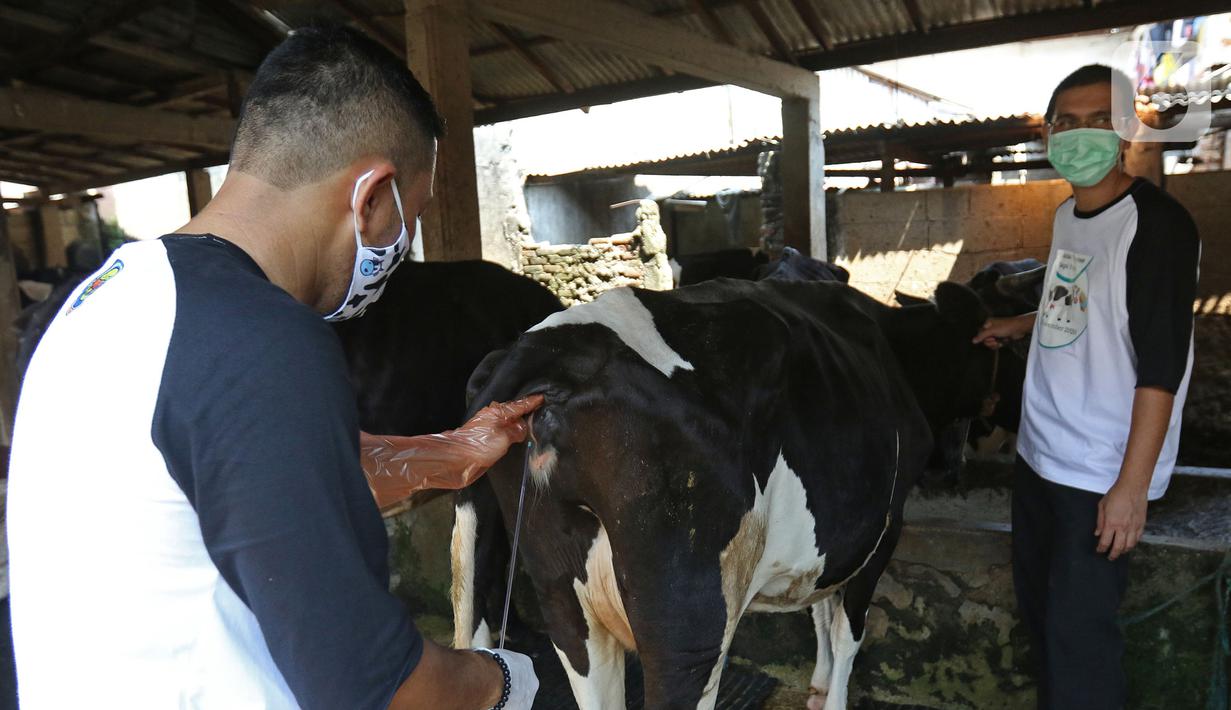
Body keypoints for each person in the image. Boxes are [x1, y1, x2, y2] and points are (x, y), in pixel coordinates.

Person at [7, 26, 541, 710]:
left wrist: (454, 450)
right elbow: (375, 685)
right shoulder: (260, 337)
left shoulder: (107, 301)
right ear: (372, 196)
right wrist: (506, 679)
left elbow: (256, 479)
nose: (401, 245)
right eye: (413, 216)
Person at [974, 65, 1200, 709]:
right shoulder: (1071, 214)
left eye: (1098, 119)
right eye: (1065, 122)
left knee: (1080, 641)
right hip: (1041, 456)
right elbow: (1071, 298)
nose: (1079, 134)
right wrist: (1014, 324)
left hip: (1099, 472)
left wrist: (1131, 488)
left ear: (1127, 128)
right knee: (1043, 623)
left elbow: (1163, 368)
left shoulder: (1158, 226)